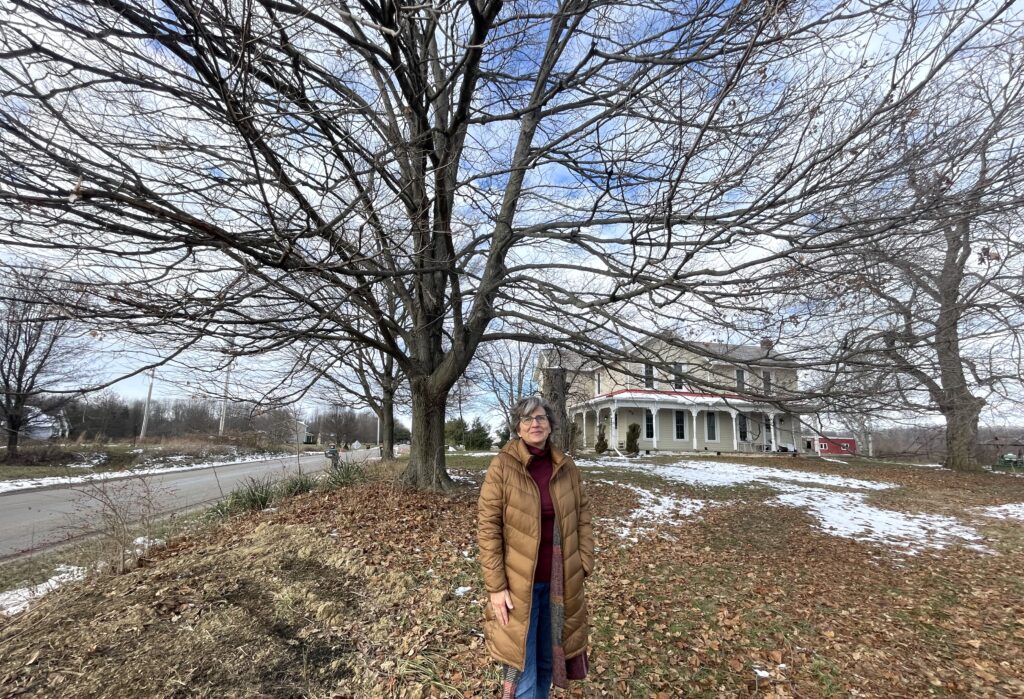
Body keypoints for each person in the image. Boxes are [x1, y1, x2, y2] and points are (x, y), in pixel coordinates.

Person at [478, 396, 593, 699]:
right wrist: (496, 587)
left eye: (541, 417)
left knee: (546, 661)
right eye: (527, 419)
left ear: (550, 425)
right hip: (518, 587)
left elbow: (583, 516)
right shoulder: (503, 466)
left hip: (558, 583)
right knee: (523, 668)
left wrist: (583, 562)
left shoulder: (566, 467)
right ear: (518, 428)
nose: (535, 424)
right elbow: (488, 528)